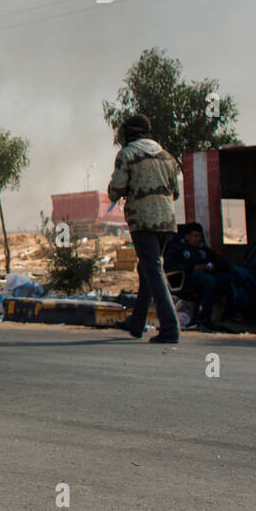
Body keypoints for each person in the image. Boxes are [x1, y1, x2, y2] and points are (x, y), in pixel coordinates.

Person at [108, 114, 182, 343]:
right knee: (148, 270)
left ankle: (170, 328)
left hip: (143, 222)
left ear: (129, 133)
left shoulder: (128, 154)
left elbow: (116, 189)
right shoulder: (167, 157)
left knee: (154, 270)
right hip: (167, 221)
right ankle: (137, 322)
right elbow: (176, 192)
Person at [163, 222, 229, 331]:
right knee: (210, 281)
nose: (198, 239)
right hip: (185, 279)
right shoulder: (179, 249)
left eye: (199, 236)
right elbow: (169, 265)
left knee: (230, 277)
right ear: (187, 237)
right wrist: (192, 267)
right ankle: (204, 320)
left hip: (205, 275)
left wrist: (213, 266)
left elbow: (222, 262)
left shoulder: (203, 249)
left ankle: (229, 316)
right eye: (195, 236)